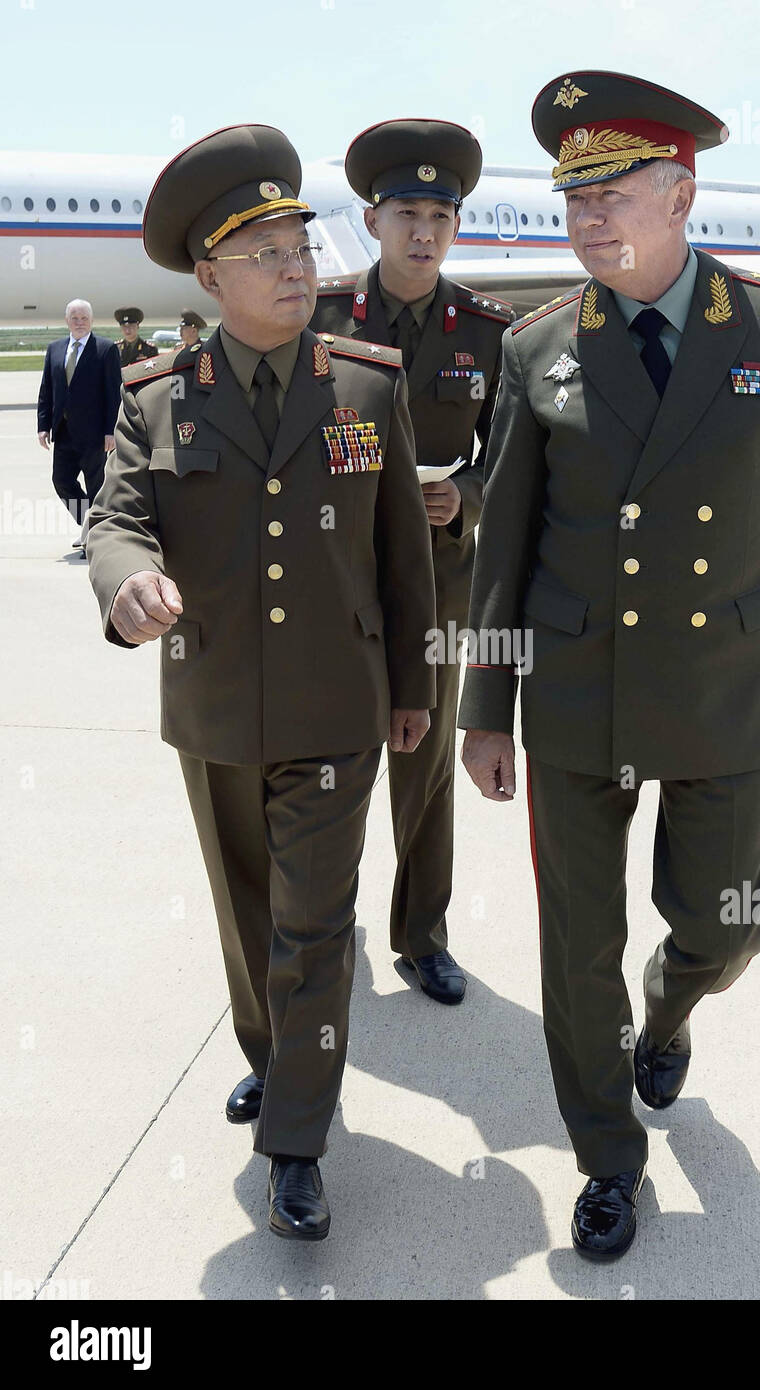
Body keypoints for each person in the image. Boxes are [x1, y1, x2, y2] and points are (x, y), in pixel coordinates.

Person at [459, 70, 760, 1261]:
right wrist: (485, 703)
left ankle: (672, 1004)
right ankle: (605, 1159)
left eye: (611, 194)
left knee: (725, 923)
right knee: (571, 950)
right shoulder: (538, 348)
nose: (584, 221)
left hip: (720, 686)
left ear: (679, 194)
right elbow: (501, 540)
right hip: (576, 693)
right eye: (570, 199)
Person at [85, 124, 436, 1242]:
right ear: (208, 279)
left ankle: (295, 1137)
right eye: (267, 253)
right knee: (248, 920)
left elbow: (404, 563)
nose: (299, 267)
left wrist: (416, 686)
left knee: (313, 925)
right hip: (216, 706)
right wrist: (129, 582)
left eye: (300, 244)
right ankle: (274, 1054)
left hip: (339, 706)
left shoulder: (368, 388)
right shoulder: (156, 398)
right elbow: (118, 520)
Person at [310, 119, 513, 1006]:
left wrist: (463, 496)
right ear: (371, 220)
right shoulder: (318, 318)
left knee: (424, 764)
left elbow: (510, 459)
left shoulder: (487, 330)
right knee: (332, 760)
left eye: (439, 213)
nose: (422, 230)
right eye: (405, 212)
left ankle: (422, 934)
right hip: (340, 582)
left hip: (437, 582)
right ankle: (321, 923)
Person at [37, 299, 121, 555]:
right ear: (67, 321)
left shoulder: (105, 349)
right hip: (63, 432)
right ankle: (90, 525)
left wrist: (111, 430)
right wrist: (43, 425)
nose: (80, 322)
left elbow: (113, 393)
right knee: (61, 481)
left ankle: (94, 538)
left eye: (84, 317)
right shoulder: (55, 348)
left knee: (96, 487)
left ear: (92, 320)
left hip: (95, 434)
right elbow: (47, 389)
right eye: (75, 317)